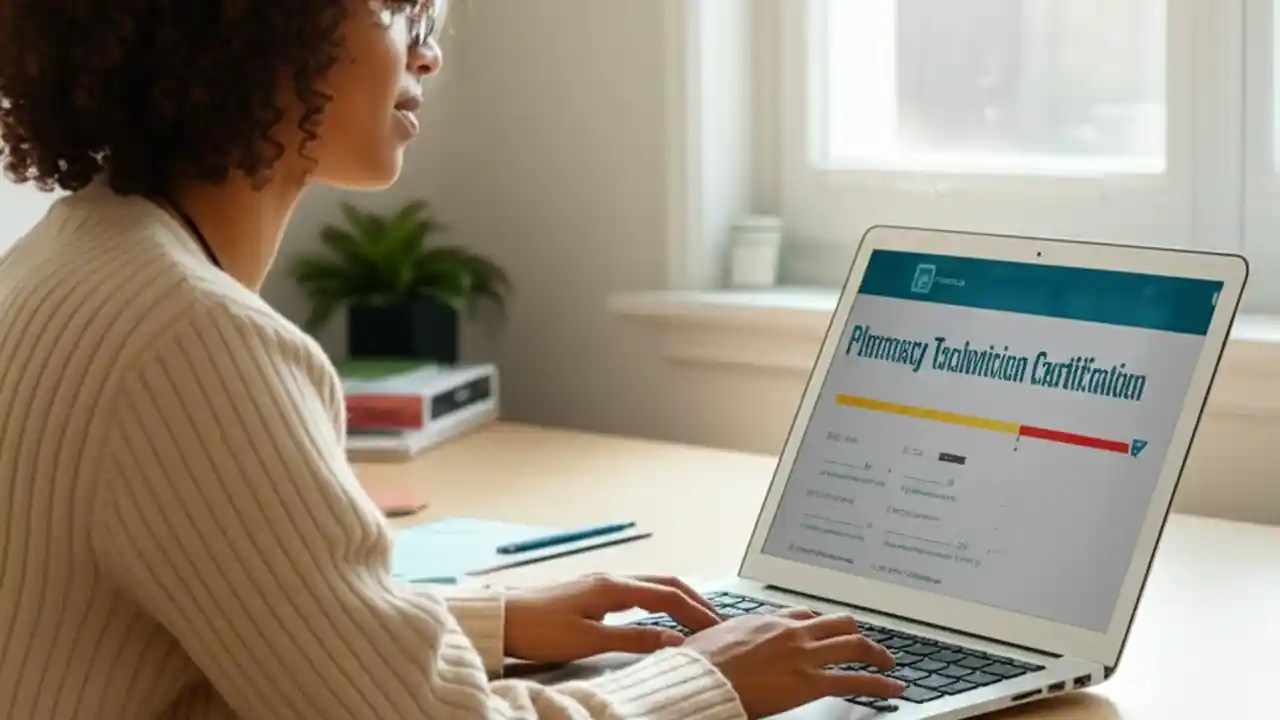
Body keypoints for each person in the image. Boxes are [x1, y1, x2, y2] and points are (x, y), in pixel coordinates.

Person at [0, 1, 906, 717]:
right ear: (262, 25)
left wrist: (489, 623)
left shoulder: (71, 258)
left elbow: (219, 625)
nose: (427, 55)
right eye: (396, 7)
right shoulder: (193, 341)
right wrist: (715, 681)